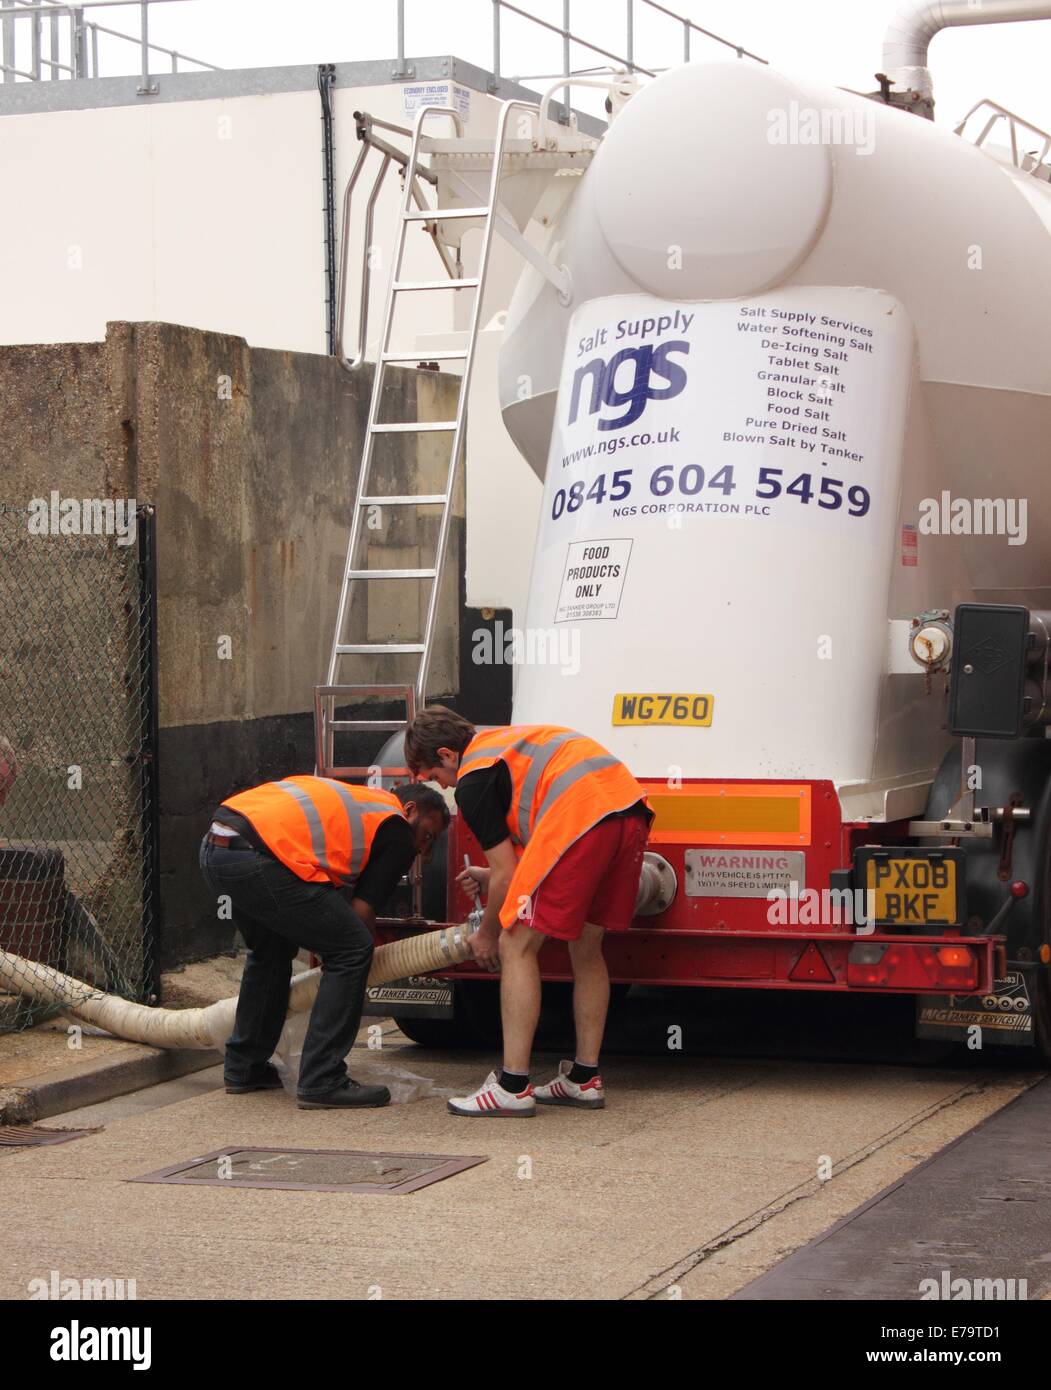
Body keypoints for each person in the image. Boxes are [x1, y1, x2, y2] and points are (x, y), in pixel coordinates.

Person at [405, 707, 652, 1118]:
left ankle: (512, 1086)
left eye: (435, 776)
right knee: (587, 946)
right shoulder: (505, 743)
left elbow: (509, 873)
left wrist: (485, 933)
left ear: (448, 755)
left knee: (514, 942)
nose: (442, 787)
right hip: (627, 811)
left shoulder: (473, 778)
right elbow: (512, 863)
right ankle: (584, 1078)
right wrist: (491, 875)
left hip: (581, 819)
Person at [200, 775, 448, 1109]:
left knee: (271, 949)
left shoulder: (361, 801)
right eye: (427, 836)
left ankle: (245, 1068)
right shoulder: (396, 827)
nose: (423, 850)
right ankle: (322, 1078)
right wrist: (361, 964)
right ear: (410, 808)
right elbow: (360, 915)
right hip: (257, 859)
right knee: (352, 948)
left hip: (216, 849)